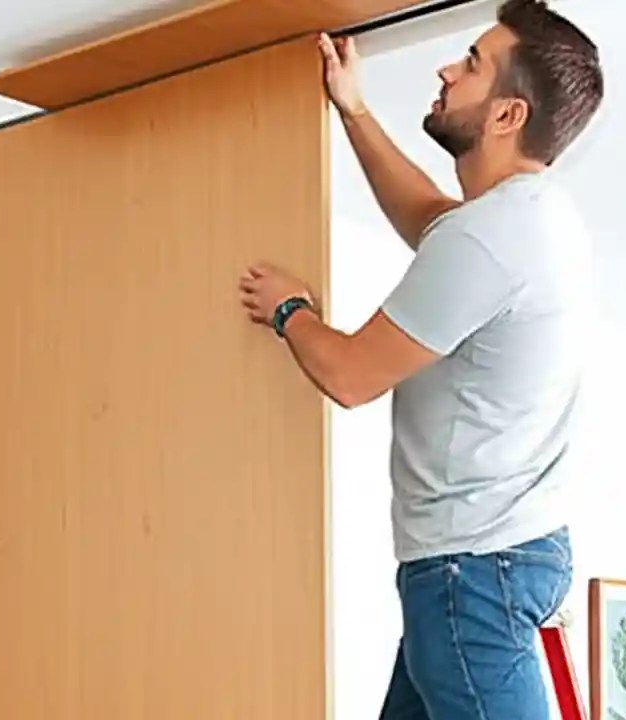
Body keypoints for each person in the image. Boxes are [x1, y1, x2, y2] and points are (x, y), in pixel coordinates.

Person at [237, 0, 604, 716]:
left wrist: (289, 312)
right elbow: (427, 218)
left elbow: (349, 375)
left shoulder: (491, 238)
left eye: (472, 63)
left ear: (507, 115)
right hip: (500, 557)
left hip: (472, 573)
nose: (446, 68)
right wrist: (353, 112)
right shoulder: (529, 218)